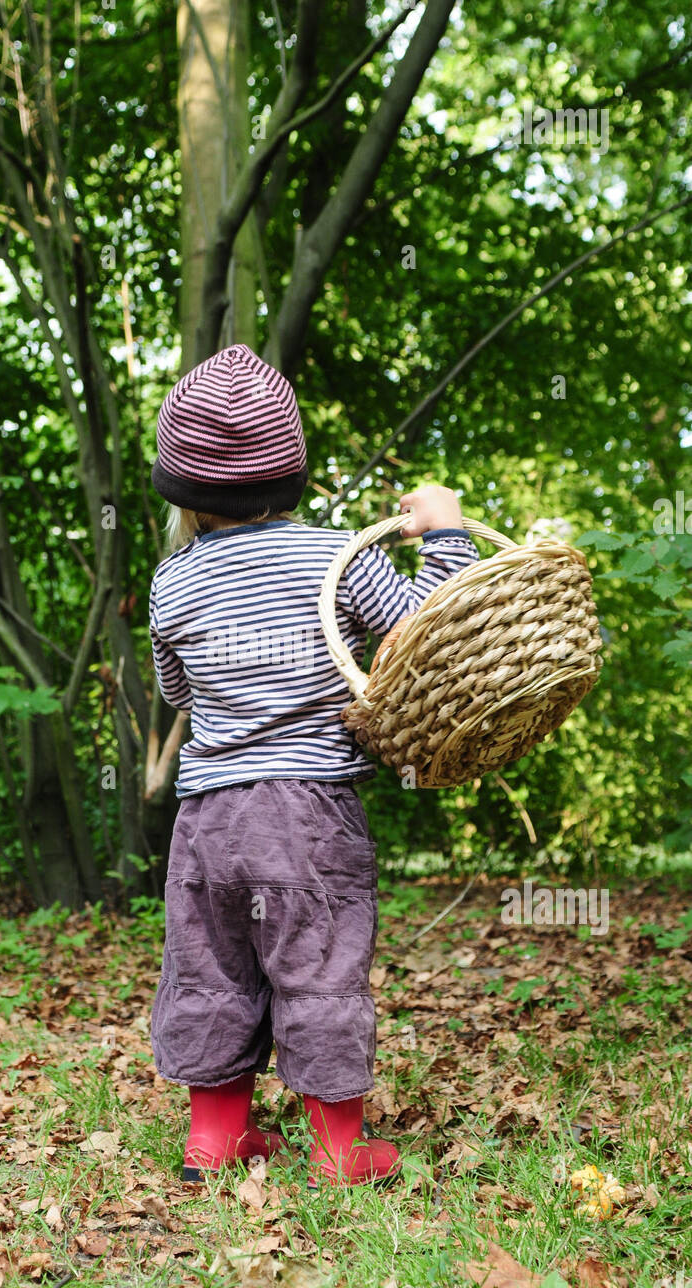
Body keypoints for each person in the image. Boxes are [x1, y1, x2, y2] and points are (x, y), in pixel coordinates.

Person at [147, 343, 479, 1186]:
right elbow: (432, 629)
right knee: (318, 968)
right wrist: (446, 532)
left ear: (183, 489)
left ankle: (214, 1141)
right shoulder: (338, 559)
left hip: (207, 822)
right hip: (306, 812)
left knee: (210, 967)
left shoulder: (171, 581)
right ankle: (339, 1149)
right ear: (289, 471)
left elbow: (176, 685)